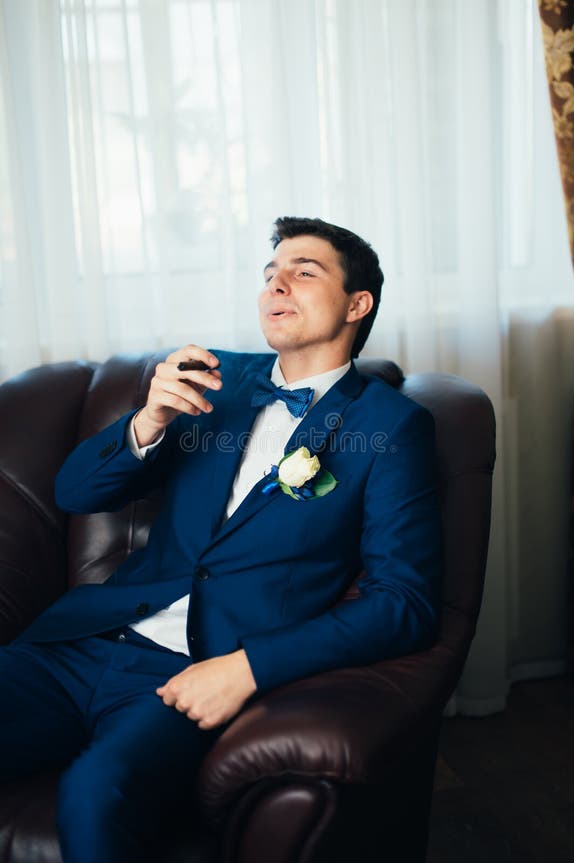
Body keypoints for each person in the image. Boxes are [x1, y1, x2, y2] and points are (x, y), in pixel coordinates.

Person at [0, 217, 442, 862]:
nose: (276, 286)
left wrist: (247, 668)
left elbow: (405, 603)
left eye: (303, 272)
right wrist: (147, 419)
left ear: (357, 303)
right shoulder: (212, 380)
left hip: (195, 674)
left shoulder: (393, 427)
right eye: (269, 275)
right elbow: (76, 495)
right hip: (79, 647)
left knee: (97, 797)